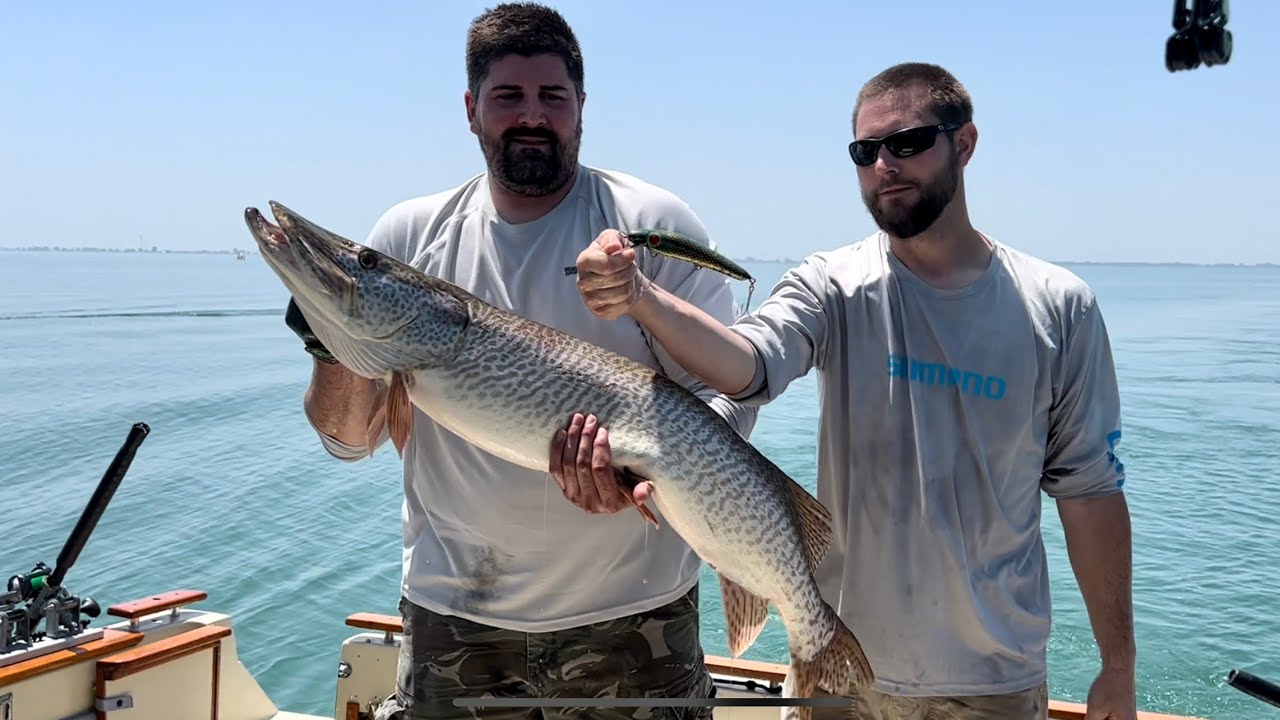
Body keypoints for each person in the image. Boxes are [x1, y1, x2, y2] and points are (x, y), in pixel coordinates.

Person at [563, 62, 1137, 720]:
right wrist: (641, 297)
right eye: (865, 152)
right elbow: (749, 361)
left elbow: (1089, 493)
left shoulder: (1058, 308)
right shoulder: (832, 285)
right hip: (837, 672)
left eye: (908, 143)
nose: (884, 165)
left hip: (992, 682)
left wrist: (1116, 668)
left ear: (965, 144)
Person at [288, 3, 757, 719]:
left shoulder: (653, 226)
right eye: (508, 97)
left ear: (581, 109)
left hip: (638, 618)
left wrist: (642, 486)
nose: (531, 116)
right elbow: (350, 439)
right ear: (472, 109)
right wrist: (331, 339)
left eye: (552, 98)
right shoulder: (410, 235)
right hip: (457, 616)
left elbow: (725, 400)